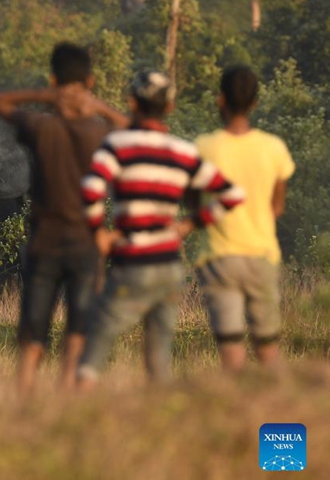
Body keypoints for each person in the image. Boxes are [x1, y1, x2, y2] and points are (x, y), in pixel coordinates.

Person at [77, 71, 246, 389]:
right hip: (168, 266)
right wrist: (189, 224)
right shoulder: (183, 152)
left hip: (131, 263)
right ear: (169, 107)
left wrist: (99, 233)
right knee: (158, 358)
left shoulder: (117, 145)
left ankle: (74, 406)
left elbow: (90, 188)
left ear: (131, 103)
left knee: (96, 343)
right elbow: (233, 194)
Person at [0, 43, 130, 396]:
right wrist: (98, 106)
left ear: (52, 79)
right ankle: (67, 399)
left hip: (44, 242)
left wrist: (44, 96)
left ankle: (25, 396)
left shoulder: (41, 126)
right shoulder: (99, 133)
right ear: (91, 81)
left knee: (33, 330)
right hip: (86, 243)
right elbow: (134, 130)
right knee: (77, 330)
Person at [195, 66, 295, 373]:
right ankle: (273, 401)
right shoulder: (274, 148)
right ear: (255, 102)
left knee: (231, 347)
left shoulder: (204, 147)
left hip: (220, 258)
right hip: (261, 255)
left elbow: (193, 201)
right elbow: (277, 207)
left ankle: (237, 400)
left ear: (220, 99)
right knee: (267, 346)